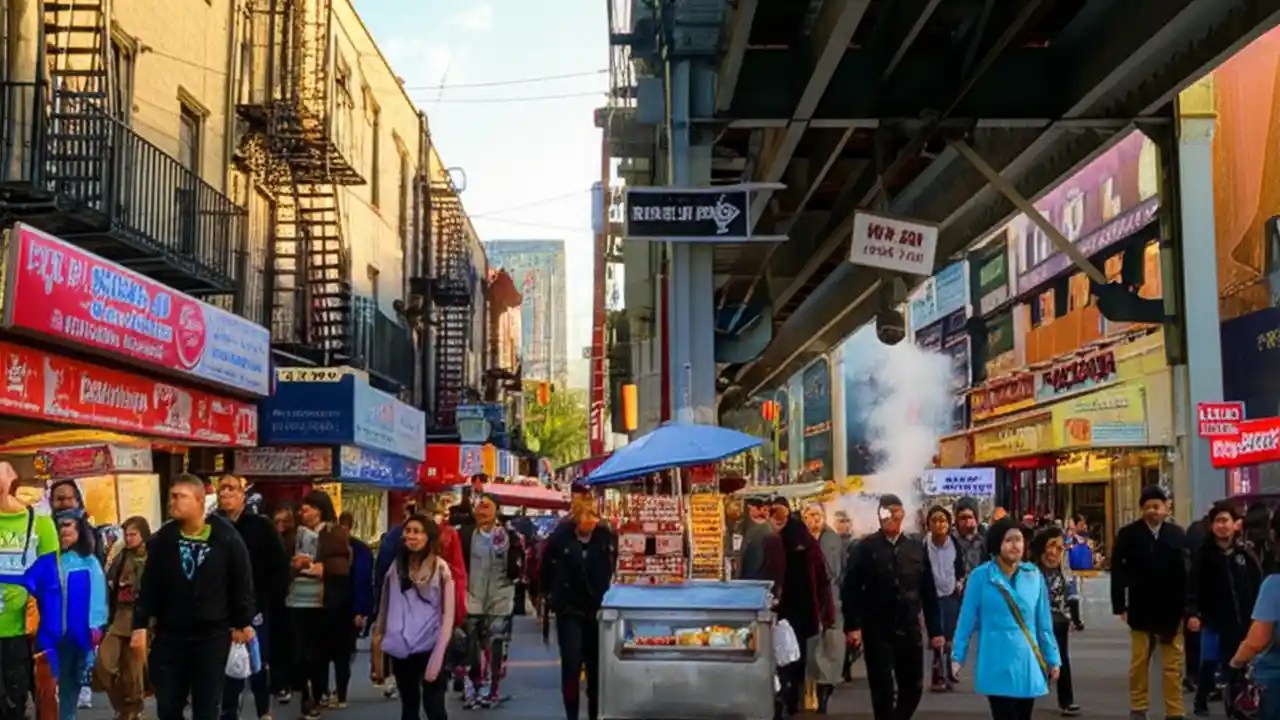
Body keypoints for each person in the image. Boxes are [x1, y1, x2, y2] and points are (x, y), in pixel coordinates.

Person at [131, 474, 256, 720]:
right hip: (170, 635)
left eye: (180, 497)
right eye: (172, 497)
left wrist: (242, 621)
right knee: (167, 705)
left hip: (211, 636)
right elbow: (149, 586)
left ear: (199, 500)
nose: (172, 502)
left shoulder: (226, 537)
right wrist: (140, 625)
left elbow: (241, 580)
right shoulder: (163, 539)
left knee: (207, 707)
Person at [842, 494, 945, 720]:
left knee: (913, 686)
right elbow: (850, 589)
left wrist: (936, 630)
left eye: (896, 513)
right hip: (876, 627)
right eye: (886, 513)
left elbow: (928, 590)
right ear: (879, 516)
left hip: (909, 626)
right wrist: (853, 626)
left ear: (903, 515)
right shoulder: (864, 548)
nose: (892, 518)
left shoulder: (916, 547)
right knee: (882, 688)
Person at [952, 518, 1061, 720]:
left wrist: (1053, 658)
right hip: (996, 661)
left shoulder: (1034, 575)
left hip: (1026, 661)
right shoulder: (980, 577)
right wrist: (957, 656)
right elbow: (965, 621)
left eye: (1019, 540)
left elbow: (1043, 623)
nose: (1015, 546)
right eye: (1009, 540)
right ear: (997, 544)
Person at [1110, 484, 1189, 720]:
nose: (1152, 511)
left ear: (1166, 508)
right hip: (1140, 607)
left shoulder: (1176, 534)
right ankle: (1138, 707)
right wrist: (1119, 606)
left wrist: (1188, 608)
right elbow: (1117, 571)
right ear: (1141, 509)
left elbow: (1186, 573)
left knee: (1173, 666)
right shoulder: (1129, 534)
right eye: (1147, 507)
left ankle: (1175, 711)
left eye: (1157, 506)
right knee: (1139, 664)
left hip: (1171, 610)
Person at [24, 507, 107, 720]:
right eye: (59, 526)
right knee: (45, 690)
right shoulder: (50, 561)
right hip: (50, 636)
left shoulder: (89, 563)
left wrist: (95, 628)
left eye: (68, 525)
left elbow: (97, 598)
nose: (63, 530)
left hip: (78, 636)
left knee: (71, 689)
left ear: (80, 529)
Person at [218, 476, 290, 720]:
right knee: (228, 662)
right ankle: (229, 711)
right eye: (222, 489)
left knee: (258, 660)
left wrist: (269, 599)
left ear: (243, 495)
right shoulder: (213, 525)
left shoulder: (261, 526)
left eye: (232, 489)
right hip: (221, 607)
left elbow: (279, 567)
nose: (226, 493)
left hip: (256, 604)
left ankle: (264, 710)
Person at [371, 514, 456, 720]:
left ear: (428, 537)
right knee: (408, 706)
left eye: (417, 532)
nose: (411, 536)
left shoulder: (441, 569)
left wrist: (438, 656)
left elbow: (448, 615)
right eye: (408, 531)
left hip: (431, 645)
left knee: (434, 706)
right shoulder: (397, 568)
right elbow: (385, 605)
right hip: (402, 647)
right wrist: (380, 639)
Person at [540, 500, 615, 720]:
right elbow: (546, 568)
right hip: (569, 610)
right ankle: (571, 714)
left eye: (593, 518)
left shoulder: (605, 538)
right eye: (587, 519)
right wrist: (549, 595)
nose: (591, 523)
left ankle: (595, 712)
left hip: (598, 610)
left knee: (596, 667)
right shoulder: (560, 538)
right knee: (571, 666)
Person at [1188, 501, 1262, 717]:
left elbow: (1257, 583)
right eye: (1218, 521)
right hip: (1212, 619)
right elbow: (1193, 587)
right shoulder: (1203, 555)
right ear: (1211, 526)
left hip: (1240, 619)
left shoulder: (1245, 554)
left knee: (1235, 664)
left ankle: (1234, 705)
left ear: (1234, 524)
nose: (1222, 526)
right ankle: (1201, 699)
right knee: (1209, 661)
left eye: (1226, 521)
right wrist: (1193, 613)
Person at [285, 490, 352, 720]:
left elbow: (341, 565)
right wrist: (295, 565)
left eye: (308, 508)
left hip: (322, 600)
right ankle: (306, 695)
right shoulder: (294, 534)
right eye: (302, 509)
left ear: (320, 509)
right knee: (299, 652)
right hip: (295, 598)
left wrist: (316, 565)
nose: (304, 513)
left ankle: (318, 691)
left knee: (318, 652)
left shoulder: (334, 533)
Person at [0, 461, 57, 720]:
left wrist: (50, 636)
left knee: (14, 704)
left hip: (19, 634)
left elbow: (51, 585)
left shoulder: (40, 524)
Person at [458, 493, 521, 709]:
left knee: (494, 644)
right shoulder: (465, 535)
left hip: (500, 597)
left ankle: (492, 690)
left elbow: (515, 568)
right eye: (478, 507)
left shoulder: (508, 536)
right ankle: (474, 686)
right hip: (472, 596)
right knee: (472, 646)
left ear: (497, 511)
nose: (481, 511)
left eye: (486, 507)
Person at [96, 516, 150, 720]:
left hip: (141, 618)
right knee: (104, 663)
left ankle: (134, 709)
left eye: (133, 534)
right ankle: (122, 705)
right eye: (126, 534)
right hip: (119, 616)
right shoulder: (120, 556)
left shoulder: (152, 558)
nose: (129, 539)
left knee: (134, 671)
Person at [1030, 526, 1080, 716]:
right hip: (1035, 622)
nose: (1054, 552)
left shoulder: (1064, 570)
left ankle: (1066, 701)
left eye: (1059, 548)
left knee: (1062, 659)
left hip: (1059, 620)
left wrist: (1076, 618)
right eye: (1051, 546)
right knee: (1034, 658)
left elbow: (1072, 594)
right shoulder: (1031, 571)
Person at [802, 503, 844, 714]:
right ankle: (812, 692)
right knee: (812, 650)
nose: (814, 519)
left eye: (818, 515)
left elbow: (839, 572)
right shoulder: (800, 541)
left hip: (832, 601)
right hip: (809, 602)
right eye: (810, 515)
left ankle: (826, 690)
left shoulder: (833, 539)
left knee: (832, 649)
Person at [924, 505, 967, 693]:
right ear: (928, 525)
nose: (939, 524)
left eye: (943, 520)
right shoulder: (923, 545)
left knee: (950, 637)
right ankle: (937, 674)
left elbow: (960, 567)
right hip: (931, 596)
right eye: (935, 521)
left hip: (951, 595)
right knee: (936, 637)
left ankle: (949, 670)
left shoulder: (954, 544)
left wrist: (959, 584)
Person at [337, 512, 374, 708]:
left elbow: (363, 581)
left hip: (348, 606)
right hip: (341, 605)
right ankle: (334, 692)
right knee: (341, 652)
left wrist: (361, 611)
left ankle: (340, 692)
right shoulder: (359, 549)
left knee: (344, 652)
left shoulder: (360, 550)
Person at [271, 504, 299, 705]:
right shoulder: (271, 539)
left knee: (289, 640)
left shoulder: (296, 538)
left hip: (293, 593)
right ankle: (279, 681)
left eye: (284, 521)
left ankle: (289, 681)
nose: (280, 525)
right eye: (277, 521)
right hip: (275, 595)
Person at [953, 497, 987, 575]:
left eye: (970, 517)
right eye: (963, 518)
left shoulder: (985, 542)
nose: (967, 522)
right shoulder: (950, 541)